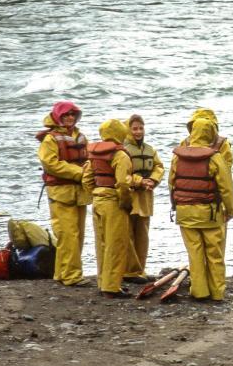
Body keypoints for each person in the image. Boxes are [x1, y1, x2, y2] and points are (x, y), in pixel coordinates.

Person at [170, 113, 233, 301]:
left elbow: (172, 183)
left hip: (185, 212)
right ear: (210, 133)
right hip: (210, 214)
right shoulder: (215, 157)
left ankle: (199, 292)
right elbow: (226, 187)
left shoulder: (178, 156)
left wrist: (175, 205)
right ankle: (217, 293)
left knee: (195, 253)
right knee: (214, 255)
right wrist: (231, 211)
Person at [36, 101, 90, 287]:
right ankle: (71, 275)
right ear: (58, 116)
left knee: (78, 234)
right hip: (60, 192)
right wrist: (79, 172)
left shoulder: (81, 136)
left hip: (80, 193)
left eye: (73, 115)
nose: (70, 118)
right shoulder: (50, 139)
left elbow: (89, 160)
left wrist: (90, 173)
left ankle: (62, 272)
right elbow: (50, 163)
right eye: (66, 115)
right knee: (68, 234)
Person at [82, 118, 134, 299]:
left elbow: (86, 179)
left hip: (97, 200)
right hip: (113, 201)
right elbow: (122, 183)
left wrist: (95, 193)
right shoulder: (121, 155)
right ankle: (112, 287)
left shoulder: (94, 154)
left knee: (101, 243)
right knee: (116, 244)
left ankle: (103, 282)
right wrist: (126, 203)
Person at [122, 114, 164, 284]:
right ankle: (129, 270)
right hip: (131, 195)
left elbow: (159, 167)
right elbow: (122, 175)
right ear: (128, 130)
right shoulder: (123, 150)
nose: (138, 131)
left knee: (143, 233)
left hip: (146, 196)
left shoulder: (149, 149)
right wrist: (139, 181)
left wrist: (153, 180)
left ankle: (140, 268)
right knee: (127, 233)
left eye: (141, 128)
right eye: (134, 128)